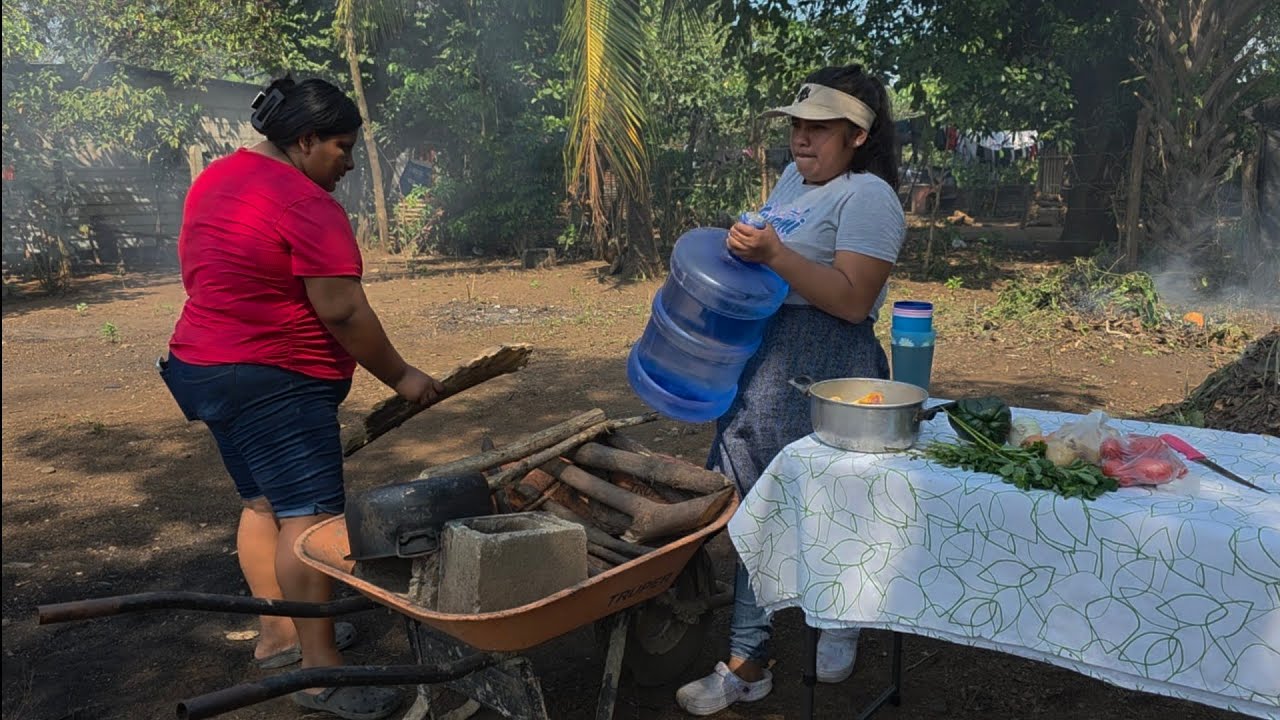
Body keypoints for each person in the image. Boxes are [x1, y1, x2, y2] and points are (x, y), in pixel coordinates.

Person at [159, 76, 443, 720]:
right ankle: (322, 677)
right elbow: (342, 310)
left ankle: (280, 635)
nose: (349, 163)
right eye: (342, 148)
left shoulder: (217, 178)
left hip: (202, 366)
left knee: (263, 504)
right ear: (306, 139)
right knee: (310, 520)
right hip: (272, 380)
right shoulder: (305, 203)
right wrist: (402, 376)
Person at [675, 65, 907, 716]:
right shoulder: (793, 180)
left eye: (819, 129)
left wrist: (774, 254)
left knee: (821, 504)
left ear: (858, 136)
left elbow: (854, 301)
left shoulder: (869, 197)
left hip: (826, 368)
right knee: (754, 504)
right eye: (797, 126)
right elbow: (774, 261)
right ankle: (750, 661)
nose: (801, 139)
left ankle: (837, 616)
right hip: (764, 360)